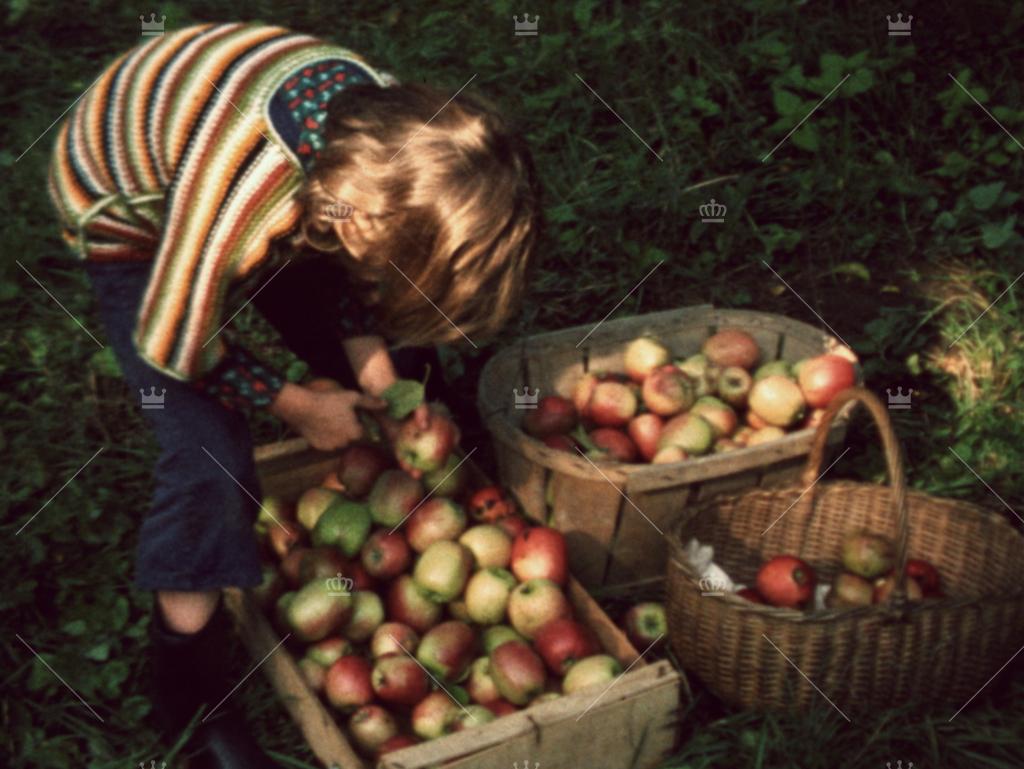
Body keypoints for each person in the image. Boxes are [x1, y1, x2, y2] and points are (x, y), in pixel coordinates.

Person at [47, 21, 539, 768]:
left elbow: (349, 279)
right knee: (210, 455)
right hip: (123, 206)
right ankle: (189, 699)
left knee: (381, 352)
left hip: (246, 174)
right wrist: (298, 405)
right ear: (360, 217)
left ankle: (406, 405)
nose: (372, 285)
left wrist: (381, 380)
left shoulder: (386, 146)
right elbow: (171, 340)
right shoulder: (242, 198)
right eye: (383, 274)